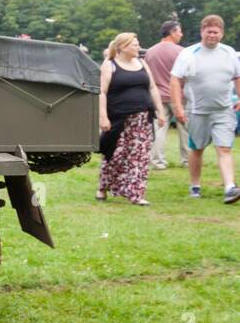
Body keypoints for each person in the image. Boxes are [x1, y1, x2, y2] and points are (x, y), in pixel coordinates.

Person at [170, 15, 240, 204]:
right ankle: (195, 185)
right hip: (197, 110)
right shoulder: (189, 53)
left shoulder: (229, 52)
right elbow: (176, 80)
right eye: (208, 31)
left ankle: (230, 188)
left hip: (223, 109)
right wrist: (178, 106)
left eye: (216, 32)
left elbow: (237, 76)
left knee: (224, 147)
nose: (212, 35)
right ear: (202, 32)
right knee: (197, 148)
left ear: (221, 33)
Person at [97, 32, 165, 205]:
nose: (138, 47)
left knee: (140, 156)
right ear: (122, 47)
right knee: (115, 154)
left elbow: (152, 88)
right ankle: (103, 187)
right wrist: (103, 117)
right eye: (135, 44)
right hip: (119, 119)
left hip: (142, 118)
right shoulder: (110, 65)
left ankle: (136, 194)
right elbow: (102, 92)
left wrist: (160, 111)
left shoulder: (142, 63)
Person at [145, 20, 187, 169]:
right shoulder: (181, 52)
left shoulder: (150, 51)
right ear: (172, 32)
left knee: (158, 129)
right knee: (186, 129)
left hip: (157, 97)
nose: (181, 34)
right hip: (179, 97)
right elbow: (186, 75)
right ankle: (187, 160)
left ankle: (157, 161)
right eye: (179, 31)